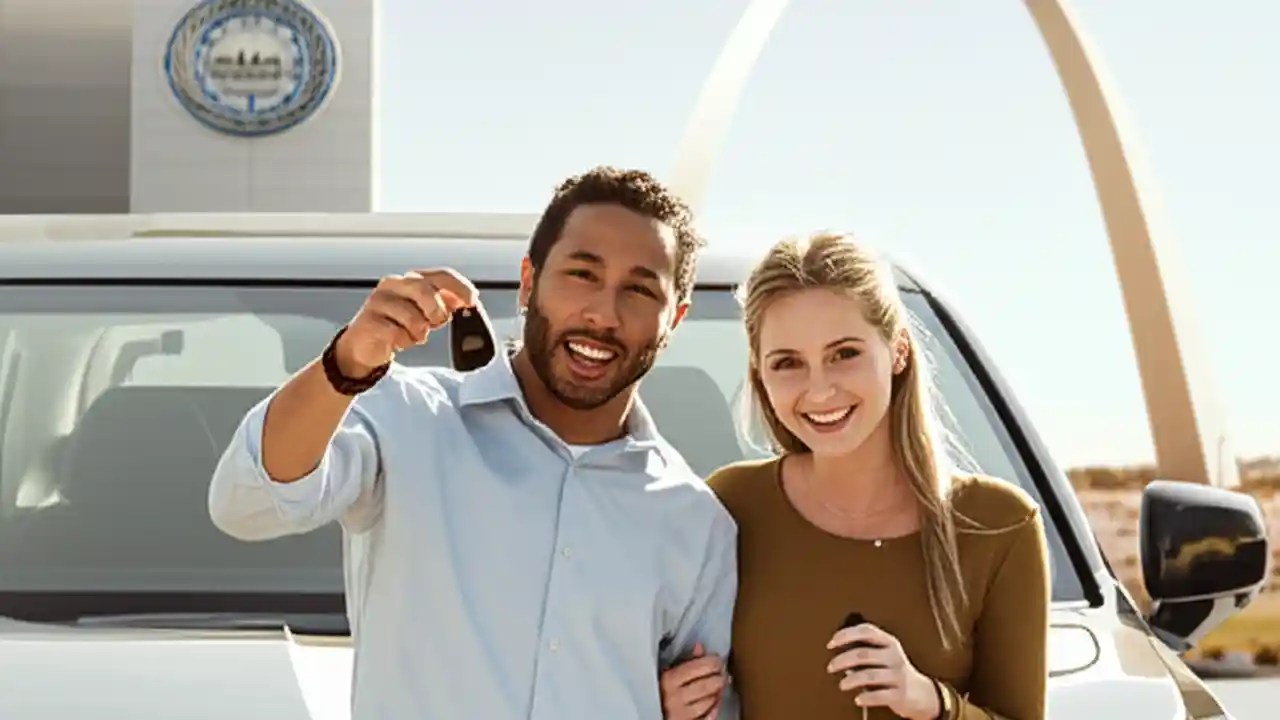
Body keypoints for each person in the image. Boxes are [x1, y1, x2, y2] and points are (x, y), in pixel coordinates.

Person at [207, 166, 739, 719]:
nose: (603, 315)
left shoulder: (696, 523)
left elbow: (712, 709)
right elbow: (246, 505)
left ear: (673, 318)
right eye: (582, 274)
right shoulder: (406, 418)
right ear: (529, 283)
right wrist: (345, 365)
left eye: (639, 289)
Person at [659, 232, 1050, 720]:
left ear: (898, 352)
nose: (820, 389)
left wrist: (932, 701)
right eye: (788, 364)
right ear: (759, 373)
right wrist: (664, 707)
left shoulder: (999, 525)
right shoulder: (731, 505)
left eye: (844, 353)